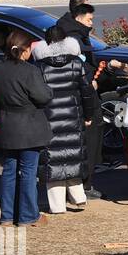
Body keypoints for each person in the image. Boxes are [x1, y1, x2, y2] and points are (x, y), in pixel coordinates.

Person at [32, 26, 99, 215]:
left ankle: (57, 205)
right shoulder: (76, 63)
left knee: (53, 159)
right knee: (72, 155)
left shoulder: (39, 67)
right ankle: (79, 197)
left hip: (49, 118)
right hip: (74, 116)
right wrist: (88, 115)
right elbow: (87, 93)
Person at [0, 30, 52, 227]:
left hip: (8, 124)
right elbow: (43, 97)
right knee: (28, 172)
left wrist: (1, 117)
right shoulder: (30, 70)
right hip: (29, 127)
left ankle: (7, 215)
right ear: (25, 50)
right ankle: (28, 216)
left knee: (9, 170)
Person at [55, 0, 103, 198]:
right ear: (79, 16)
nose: (92, 23)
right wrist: (89, 82)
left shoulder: (71, 33)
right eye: (90, 19)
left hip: (75, 97)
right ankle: (84, 185)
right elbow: (80, 68)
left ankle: (80, 184)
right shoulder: (74, 38)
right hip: (82, 97)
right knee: (88, 139)